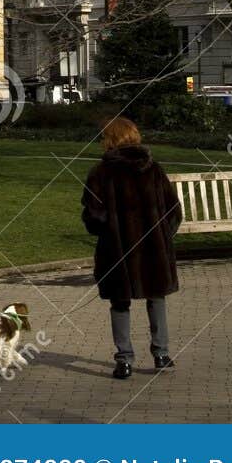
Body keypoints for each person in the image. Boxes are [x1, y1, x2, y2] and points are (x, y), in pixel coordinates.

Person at [81, 116, 182, 380]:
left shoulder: (100, 173)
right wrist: (163, 236)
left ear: (110, 139)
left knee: (119, 302)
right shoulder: (154, 169)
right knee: (156, 296)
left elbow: (93, 217)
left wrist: (109, 232)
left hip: (117, 250)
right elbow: (173, 209)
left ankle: (124, 359)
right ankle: (161, 353)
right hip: (153, 248)